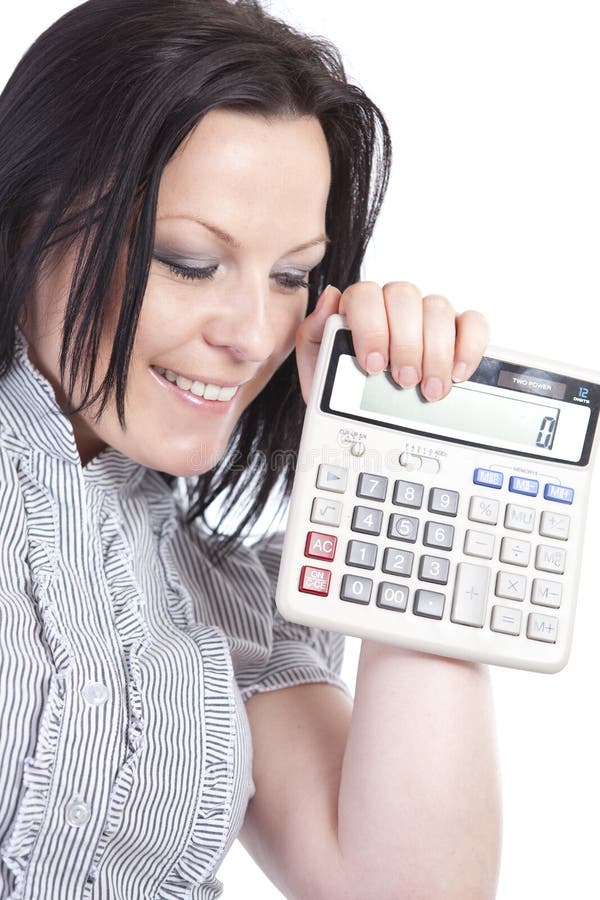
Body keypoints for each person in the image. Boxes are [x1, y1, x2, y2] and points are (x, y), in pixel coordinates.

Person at [0, 0, 502, 897]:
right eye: (189, 260)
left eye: (291, 276)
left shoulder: (216, 599)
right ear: (25, 219)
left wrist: (397, 444)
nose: (254, 335)